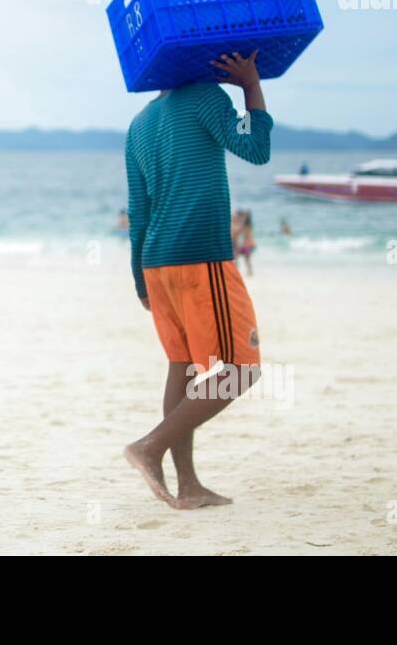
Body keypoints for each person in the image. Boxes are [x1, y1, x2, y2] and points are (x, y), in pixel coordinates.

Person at [124, 50, 272, 509]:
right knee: (241, 370)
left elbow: (139, 208)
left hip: (156, 261)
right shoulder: (206, 97)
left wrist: (138, 278)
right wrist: (250, 86)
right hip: (199, 256)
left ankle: (188, 486)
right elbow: (256, 149)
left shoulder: (139, 124)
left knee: (183, 366)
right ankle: (149, 447)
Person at [236, 210, 256, 276]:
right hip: (250, 244)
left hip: (247, 245)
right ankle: (249, 271)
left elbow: (239, 231)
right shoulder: (249, 226)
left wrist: (241, 219)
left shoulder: (246, 227)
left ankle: (249, 272)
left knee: (245, 258)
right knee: (246, 259)